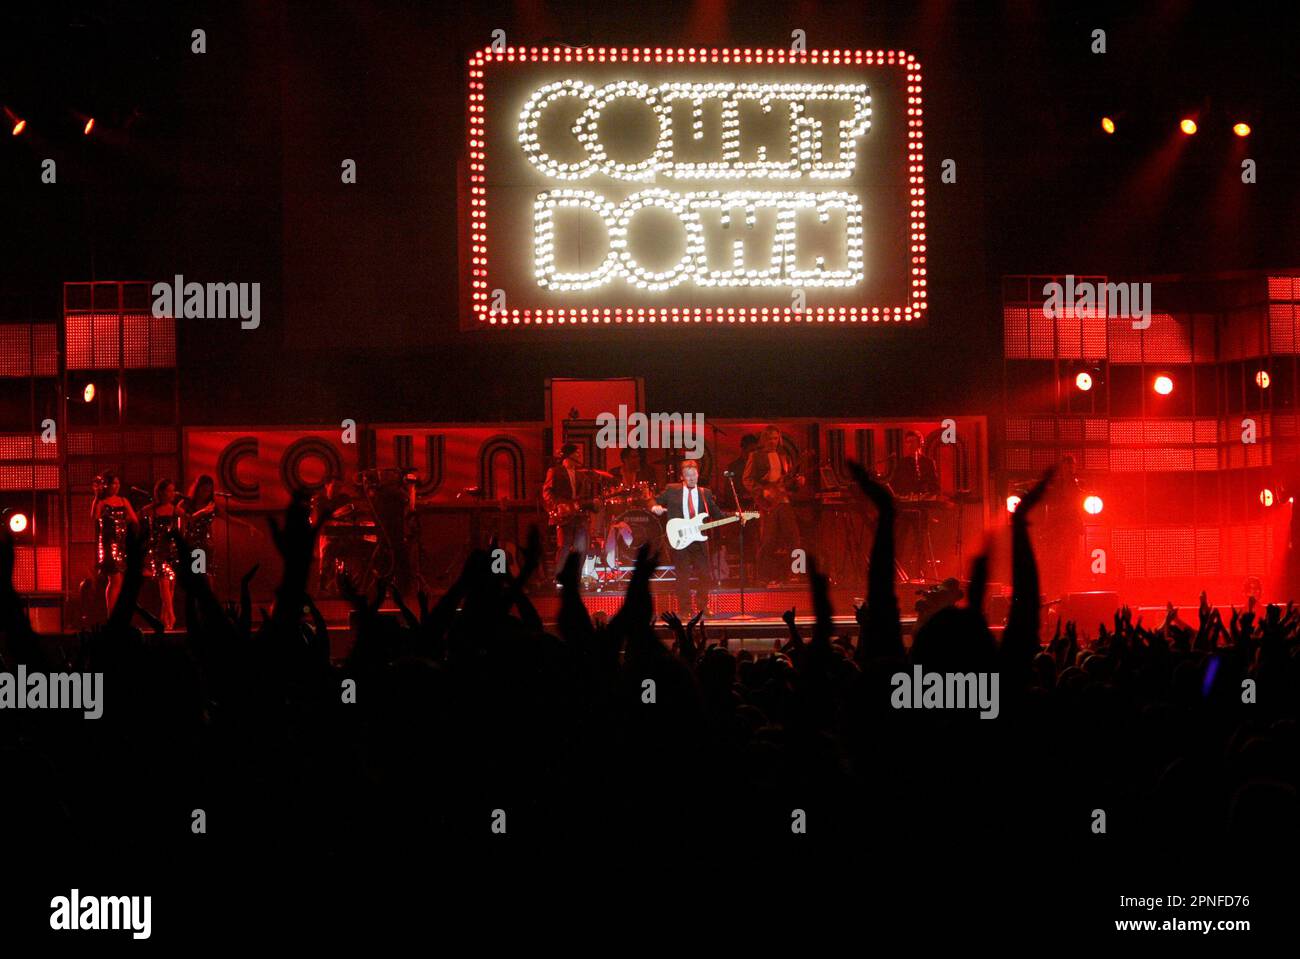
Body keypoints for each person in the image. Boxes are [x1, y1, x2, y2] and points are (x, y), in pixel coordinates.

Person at [651, 459, 737, 617]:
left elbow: (717, 515)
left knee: (704, 573)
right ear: (682, 477)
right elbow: (654, 500)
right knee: (683, 575)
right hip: (680, 538)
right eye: (687, 475)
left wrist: (736, 515)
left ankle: (702, 606)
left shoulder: (705, 493)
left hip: (699, 540)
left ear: (698, 474)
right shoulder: (672, 490)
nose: (691, 478)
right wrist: (654, 506)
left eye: (694, 475)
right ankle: (685, 610)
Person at [542, 443, 612, 582]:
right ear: (569, 455)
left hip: (580, 516)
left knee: (582, 547)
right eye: (577, 453)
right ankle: (560, 578)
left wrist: (593, 504)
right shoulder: (555, 471)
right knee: (564, 547)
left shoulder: (582, 475)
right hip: (564, 515)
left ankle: (576, 578)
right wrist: (559, 505)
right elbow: (547, 492)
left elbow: (585, 498)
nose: (580, 456)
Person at [743, 426, 802, 586]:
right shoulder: (755, 456)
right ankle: (763, 576)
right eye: (770, 438)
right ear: (764, 439)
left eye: (775, 438)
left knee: (794, 538)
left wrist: (797, 483)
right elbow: (747, 479)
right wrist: (762, 491)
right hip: (767, 503)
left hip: (784, 501)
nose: (773, 442)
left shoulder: (783, 456)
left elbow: (786, 481)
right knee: (768, 540)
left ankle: (797, 573)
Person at [887, 430, 941, 580]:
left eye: (913, 442)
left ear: (920, 443)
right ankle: (897, 575)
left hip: (920, 509)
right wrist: (899, 496)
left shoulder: (927, 463)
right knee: (899, 542)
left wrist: (925, 494)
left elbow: (935, 487)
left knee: (920, 543)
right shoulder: (901, 463)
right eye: (907, 442)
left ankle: (920, 573)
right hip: (904, 510)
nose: (909, 445)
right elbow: (894, 485)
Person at [91, 471, 139, 618]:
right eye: (113, 483)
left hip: (122, 543)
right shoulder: (101, 501)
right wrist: (96, 497)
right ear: (106, 485)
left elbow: (134, 519)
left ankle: (116, 613)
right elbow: (94, 518)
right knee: (115, 578)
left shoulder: (123, 501)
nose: (116, 486)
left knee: (120, 580)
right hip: (108, 543)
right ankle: (111, 614)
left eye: (118, 483)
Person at [142, 478, 185, 629]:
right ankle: (171, 615)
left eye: (173, 490)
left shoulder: (175, 510)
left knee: (171, 585)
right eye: (169, 490)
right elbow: (136, 517)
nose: (172, 493)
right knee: (164, 582)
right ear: (160, 492)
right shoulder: (151, 509)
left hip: (173, 551)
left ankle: (164, 618)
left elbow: (189, 520)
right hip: (158, 550)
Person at [313, 474, 356, 593]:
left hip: (344, 535)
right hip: (327, 536)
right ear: (327, 485)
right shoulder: (320, 501)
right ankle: (324, 582)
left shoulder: (344, 499)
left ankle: (345, 581)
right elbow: (319, 522)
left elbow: (351, 516)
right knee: (328, 545)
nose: (337, 490)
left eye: (340, 487)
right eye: (335, 486)